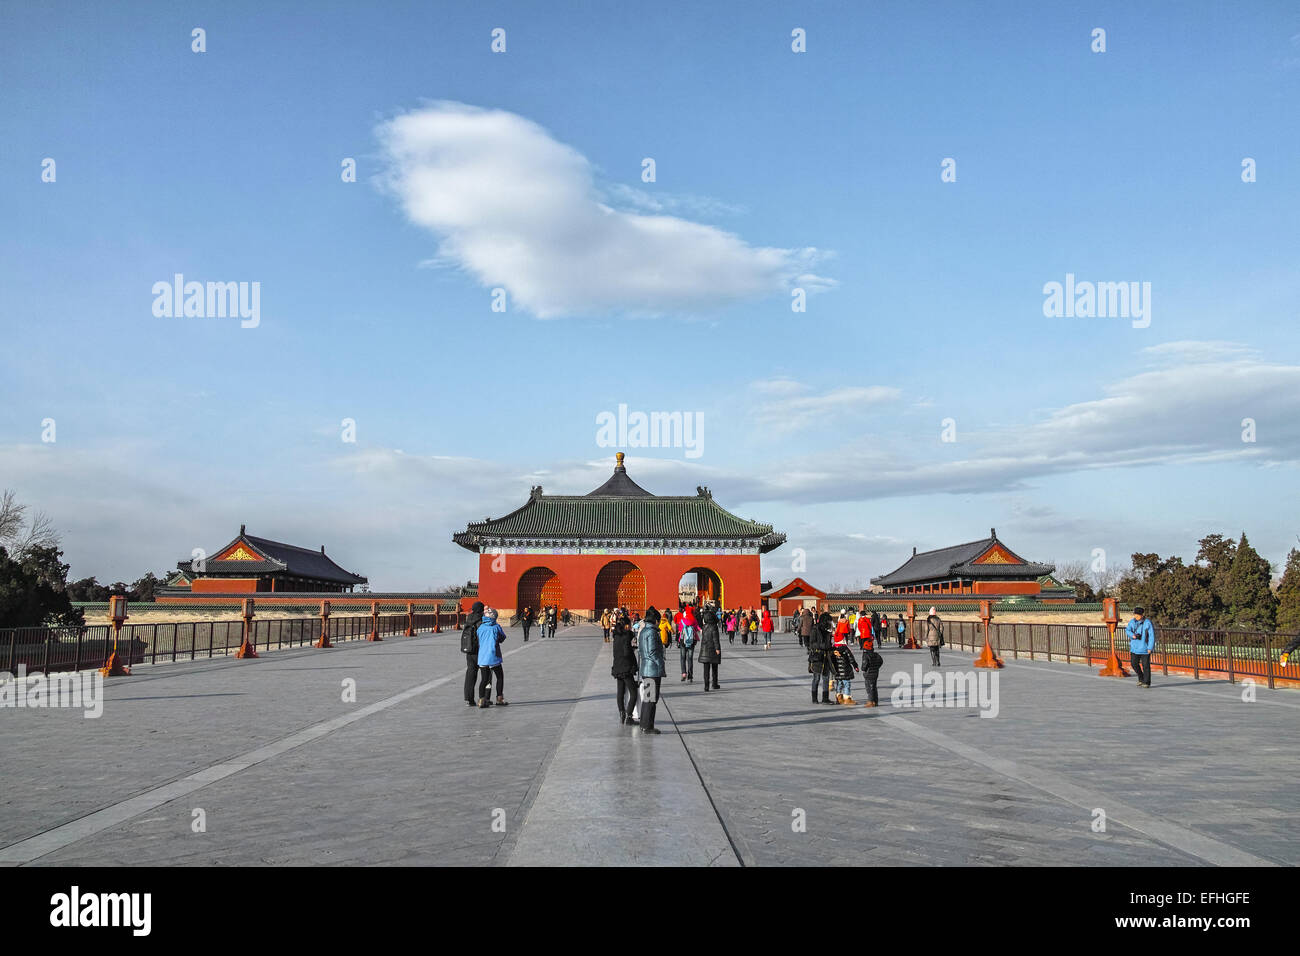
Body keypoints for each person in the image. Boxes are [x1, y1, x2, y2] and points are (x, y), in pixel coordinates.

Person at [638, 607, 667, 734]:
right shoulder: (651, 632)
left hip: (647, 668)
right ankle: (647, 726)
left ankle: (645, 724)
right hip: (652, 669)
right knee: (651, 699)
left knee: (649, 698)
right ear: (655, 620)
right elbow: (652, 652)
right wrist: (661, 663)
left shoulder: (644, 631)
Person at [476, 607, 508, 708]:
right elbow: (502, 637)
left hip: (482, 657)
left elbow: (478, 638)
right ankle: (499, 698)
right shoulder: (496, 627)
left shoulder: (480, 627)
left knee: (484, 679)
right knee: (500, 677)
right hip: (494, 656)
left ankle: (482, 700)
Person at [611, 613, 639, 723]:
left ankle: (622, 714)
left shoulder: (616, 636)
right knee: (633, 693)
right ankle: (629, 716)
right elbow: (627, 652)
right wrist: (632, 650)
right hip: (626, 668)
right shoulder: (627, 636)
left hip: (617, 666)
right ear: (627, 625)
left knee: (620, 692)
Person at [461, 600, 485, 706]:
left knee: (470, 673)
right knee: (486, 674)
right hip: (479, 650)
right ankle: (484, 698)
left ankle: (469, 698)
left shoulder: (468, 619)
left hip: (469, 650)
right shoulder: (481, 620)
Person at [808, 611, 834, 705]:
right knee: (816, 678)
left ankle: (825, 698)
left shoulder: (827, 631)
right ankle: (814, 698)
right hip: (817, 656)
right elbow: (811, 643)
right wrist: (822, 646)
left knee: (826, 678)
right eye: (828, 622)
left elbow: (829, 645)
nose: (830, 624)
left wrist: (833, 648)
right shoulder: (815, 629)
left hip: (826, 657)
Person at [1127, 605, 1156, 688]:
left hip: (1145, 648)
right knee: (1134, 664)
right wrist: (1133, 635)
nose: (1135, 616)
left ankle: (1146, 682)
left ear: (1142, 615)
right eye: (1135, 615)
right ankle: (1141, 677)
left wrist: (1150, 647)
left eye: (1137, 615)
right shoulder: (1132, 622)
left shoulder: (1147, 623)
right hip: (1134, 648)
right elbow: (1127, 630)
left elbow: (1151, 636)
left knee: (1146, 666)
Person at [830, 625, 860, 704]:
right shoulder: (845, 648)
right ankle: (847, 698)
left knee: (839, 684)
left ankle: (838, 697)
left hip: (837, 671)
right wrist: (855, 666)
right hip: (845, 670)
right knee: (847, 684)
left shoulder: (833, 649)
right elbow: (851, 658)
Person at [699, 605, 722, 690]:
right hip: (713, 649)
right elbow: (715, 639)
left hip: (705, 649)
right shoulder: (714, 627)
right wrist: (717, 649)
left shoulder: (704, 627)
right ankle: (714, 683)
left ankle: (706, 686)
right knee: (714, 668)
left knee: (706, 669)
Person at [860, 642, 883, 707]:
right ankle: (875, 701)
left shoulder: (866, 655)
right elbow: (881, 661)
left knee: (869, 688)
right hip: (875, 673)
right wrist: (876, 667)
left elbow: (864, 664)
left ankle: (870, 701)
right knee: (874, 687)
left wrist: (863, 669)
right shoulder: (876, 654)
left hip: (868, 674)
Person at [679, 607, 697, 682]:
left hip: (683, 641)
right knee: (690, 658)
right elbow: (696, 629)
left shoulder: (682, 620)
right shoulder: (694, 620)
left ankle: (684, 673)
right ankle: (690, 675)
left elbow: (680, 630)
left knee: (683, 658)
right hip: (691, 641)